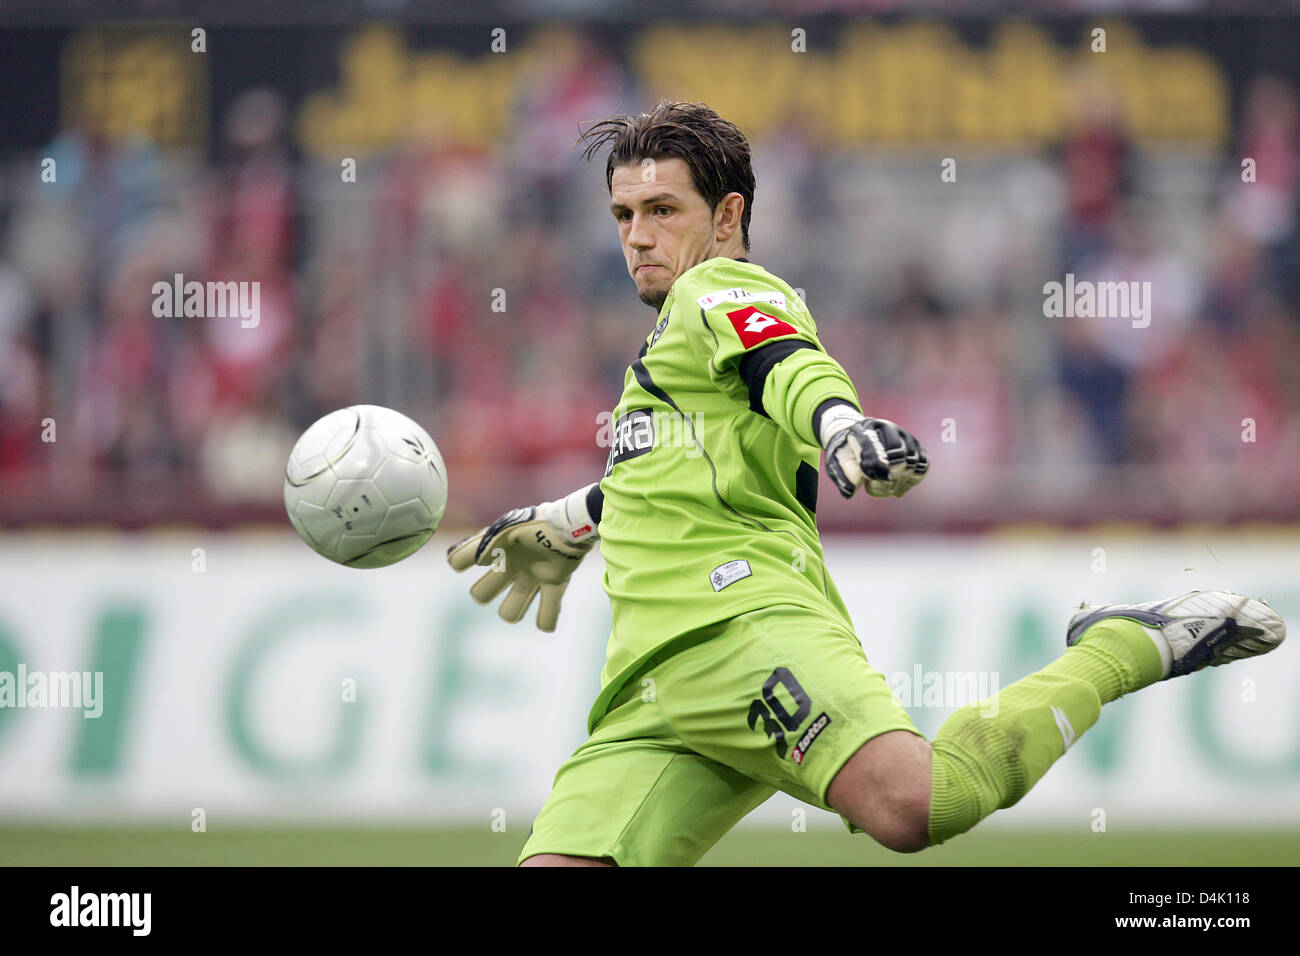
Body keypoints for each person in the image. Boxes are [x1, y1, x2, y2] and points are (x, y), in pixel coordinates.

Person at [447, 101, 1286, 867]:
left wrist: (842, 425)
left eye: (663, 211)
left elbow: (789, 365)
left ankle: (1120, 647)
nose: (637, 236)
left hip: (739, 631)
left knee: (918, 803)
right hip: (647, 686)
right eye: (624, 216)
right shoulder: (671, 350)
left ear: (728, 216)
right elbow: (657, 474)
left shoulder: (721, 288)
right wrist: (567, 521)